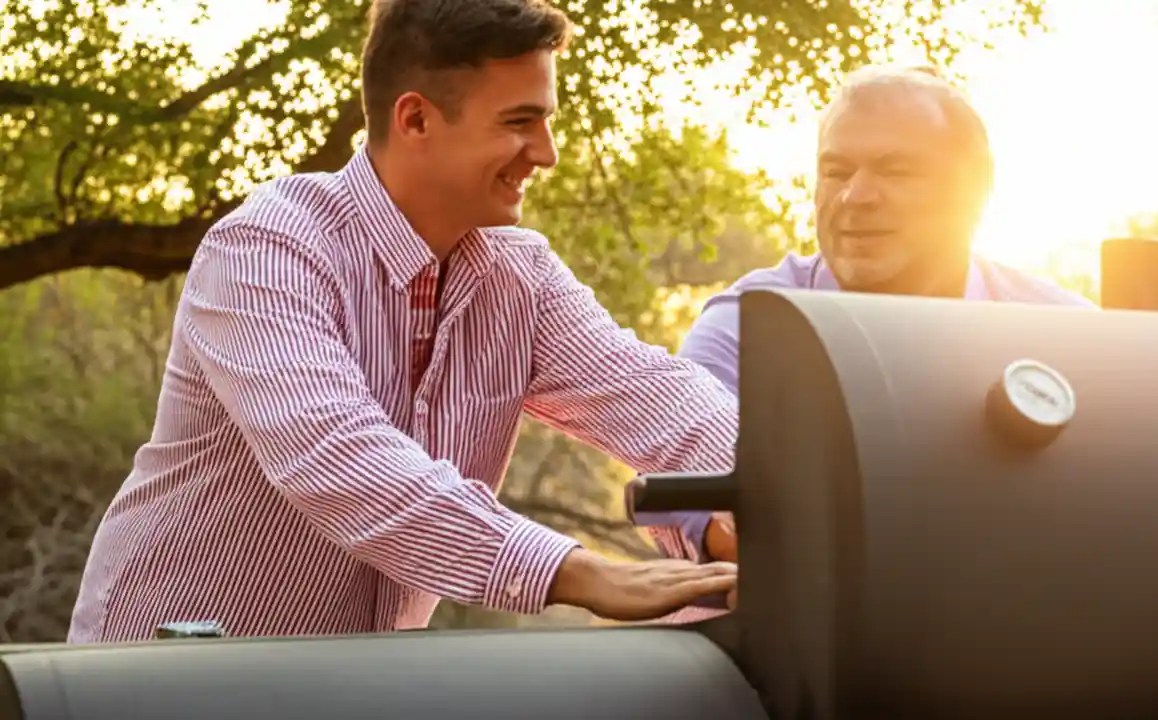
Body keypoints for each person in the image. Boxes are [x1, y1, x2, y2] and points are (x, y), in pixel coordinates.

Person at [67, 0, 737, 644]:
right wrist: (574, 572)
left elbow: (666, 403)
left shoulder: (520, 278)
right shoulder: (266, 248)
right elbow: (337, 457)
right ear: (415, 119)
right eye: (519, 122)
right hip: (162, 676)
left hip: (362, 683)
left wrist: (789, 493)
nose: (547, 152)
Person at [641, 65, 1095, 591]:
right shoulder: (748, 324)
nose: (855, 198)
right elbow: (683, 490)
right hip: (783, 658)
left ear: (976, 188)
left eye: (895, 171)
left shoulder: (1068, 332)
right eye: (836, 171)